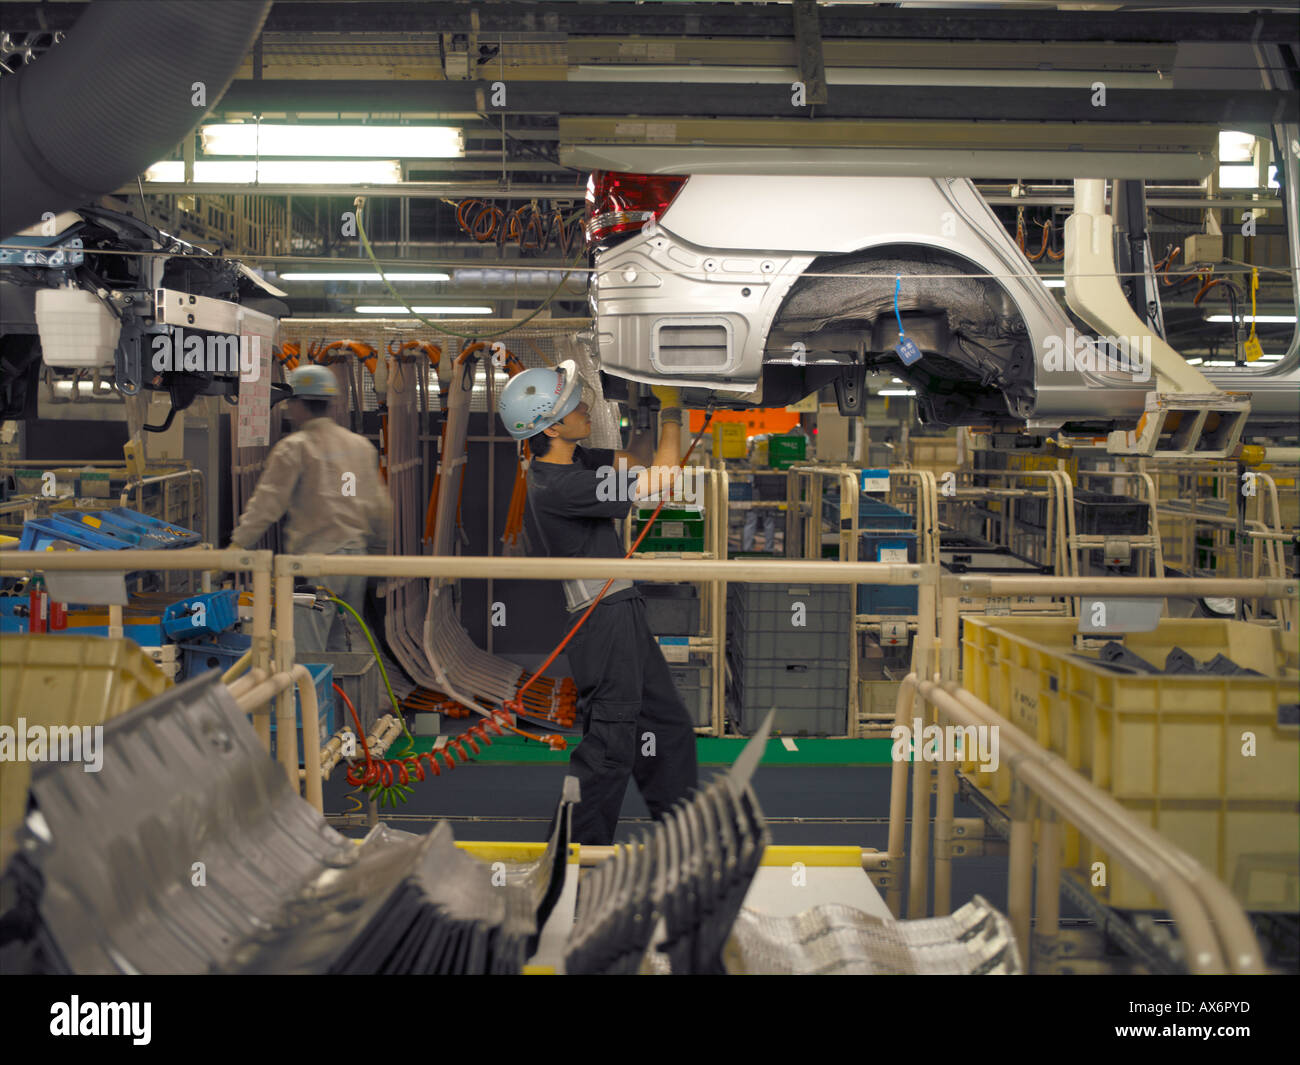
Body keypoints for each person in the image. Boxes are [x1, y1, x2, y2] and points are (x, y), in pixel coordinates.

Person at [500, 360, 699, 845]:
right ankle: (573, 855)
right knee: (611, 742)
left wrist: (646, 408)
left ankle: (686, 835)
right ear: (551, 427)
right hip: (601, 619)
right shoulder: (560, 486)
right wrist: (673, 407)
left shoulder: (575, 463)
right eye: (573, 406)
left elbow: (637, 461)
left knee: (666, 725)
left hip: (621, 610)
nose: (585, 407)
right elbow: (665, 477)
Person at [228, 364, 392, 651]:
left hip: (318, 563)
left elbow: (268, 502)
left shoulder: (295, 448)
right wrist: (380, 552)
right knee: (348, 643)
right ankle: (356, 698)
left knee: (307, 647)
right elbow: (379, 506)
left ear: (299, 404)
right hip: (356, 561)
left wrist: (237, 546)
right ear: (329, 403)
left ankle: (309, 697)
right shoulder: (359, 446)